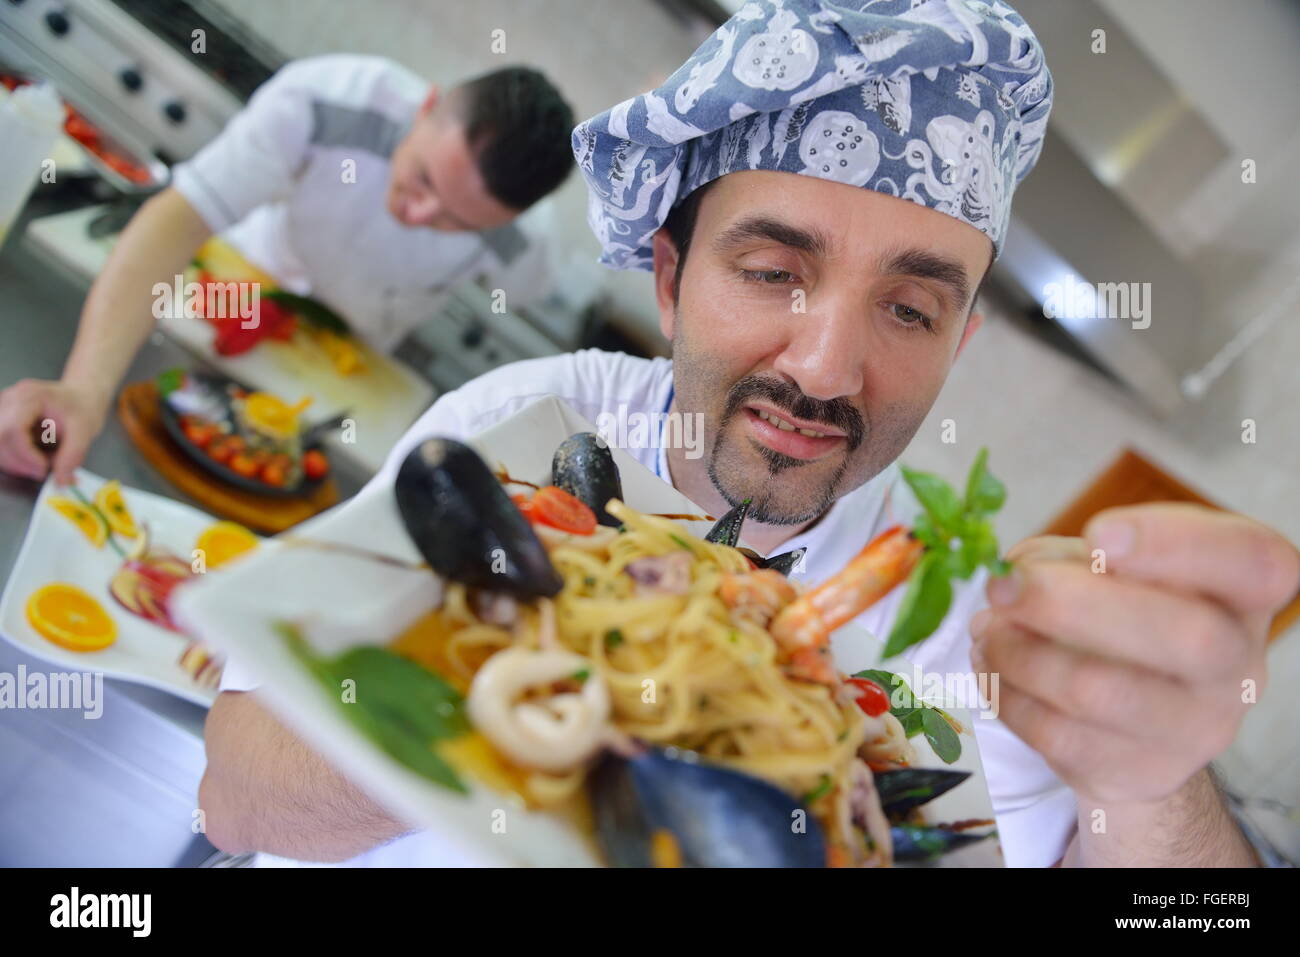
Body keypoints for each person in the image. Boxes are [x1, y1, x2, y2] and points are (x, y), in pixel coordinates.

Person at [199, 1, 1298, 867]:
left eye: (910, 309)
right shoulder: (524, 426)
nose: (824, 367)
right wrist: (544, 689)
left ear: (957, 346)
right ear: (670, 282)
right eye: (773, 272)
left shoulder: (975, 621)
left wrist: (1148, 782)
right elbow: (234, 794)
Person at [0, 54, 575, 484]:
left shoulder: (525, 245)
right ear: (427, 106)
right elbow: (178, 220)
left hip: (341, 368)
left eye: (457, 221)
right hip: (224, 306)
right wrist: (83, 389)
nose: (418, 215)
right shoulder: (327, 96)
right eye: (423, 178)